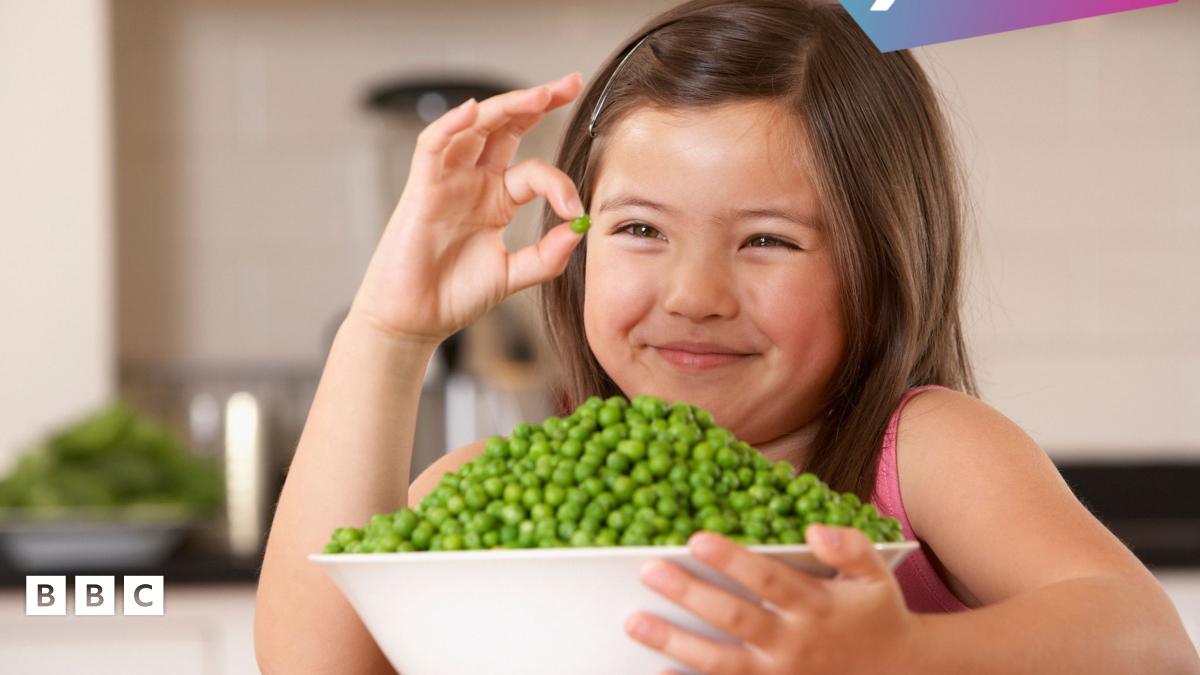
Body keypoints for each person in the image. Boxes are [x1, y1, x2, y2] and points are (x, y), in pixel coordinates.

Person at [254, 1, 1199, 672]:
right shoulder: (483, 498)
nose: (695, 294)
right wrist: (388, 328)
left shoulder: (920, 456)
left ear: (878, 259)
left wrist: (905, 654)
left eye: (766, 240)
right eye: (639, 229)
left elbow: (1147, 643)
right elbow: (315, 664)